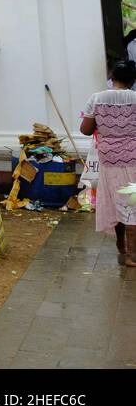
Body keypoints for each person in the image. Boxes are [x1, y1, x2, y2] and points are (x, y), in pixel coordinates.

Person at [80, 60, 136, 267]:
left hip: (108, 159)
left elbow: (85, 129)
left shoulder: (97, 98)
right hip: (133, 159)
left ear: (112, 77)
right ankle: (131, 255)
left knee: (115, 200)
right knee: (132, 203)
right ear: (132, 80)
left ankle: (121, 246)